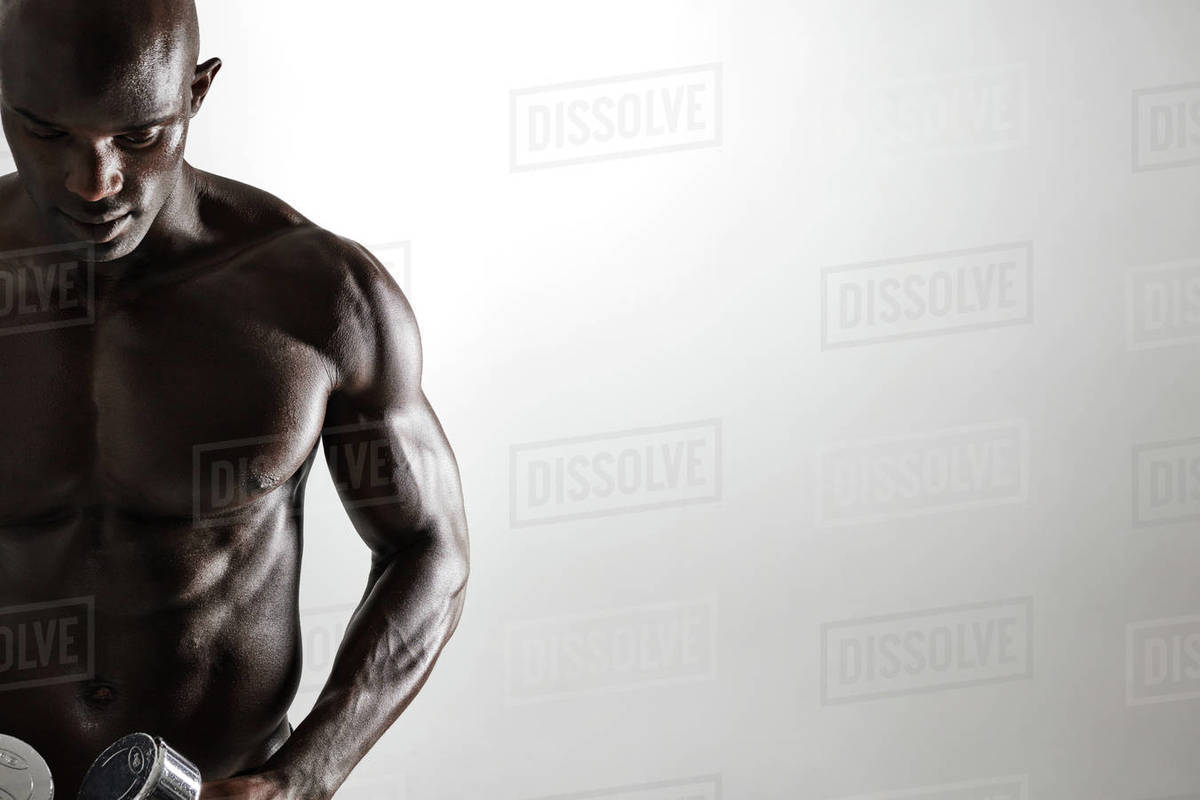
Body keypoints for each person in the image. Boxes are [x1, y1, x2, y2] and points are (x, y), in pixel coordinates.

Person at [0, 1, 470, 797]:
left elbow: (427, 549)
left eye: (139, 136)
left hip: (222, 782)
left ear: (197, 91)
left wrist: (304, 777)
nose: (96, 182)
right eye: (50, 134)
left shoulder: (321, 299)